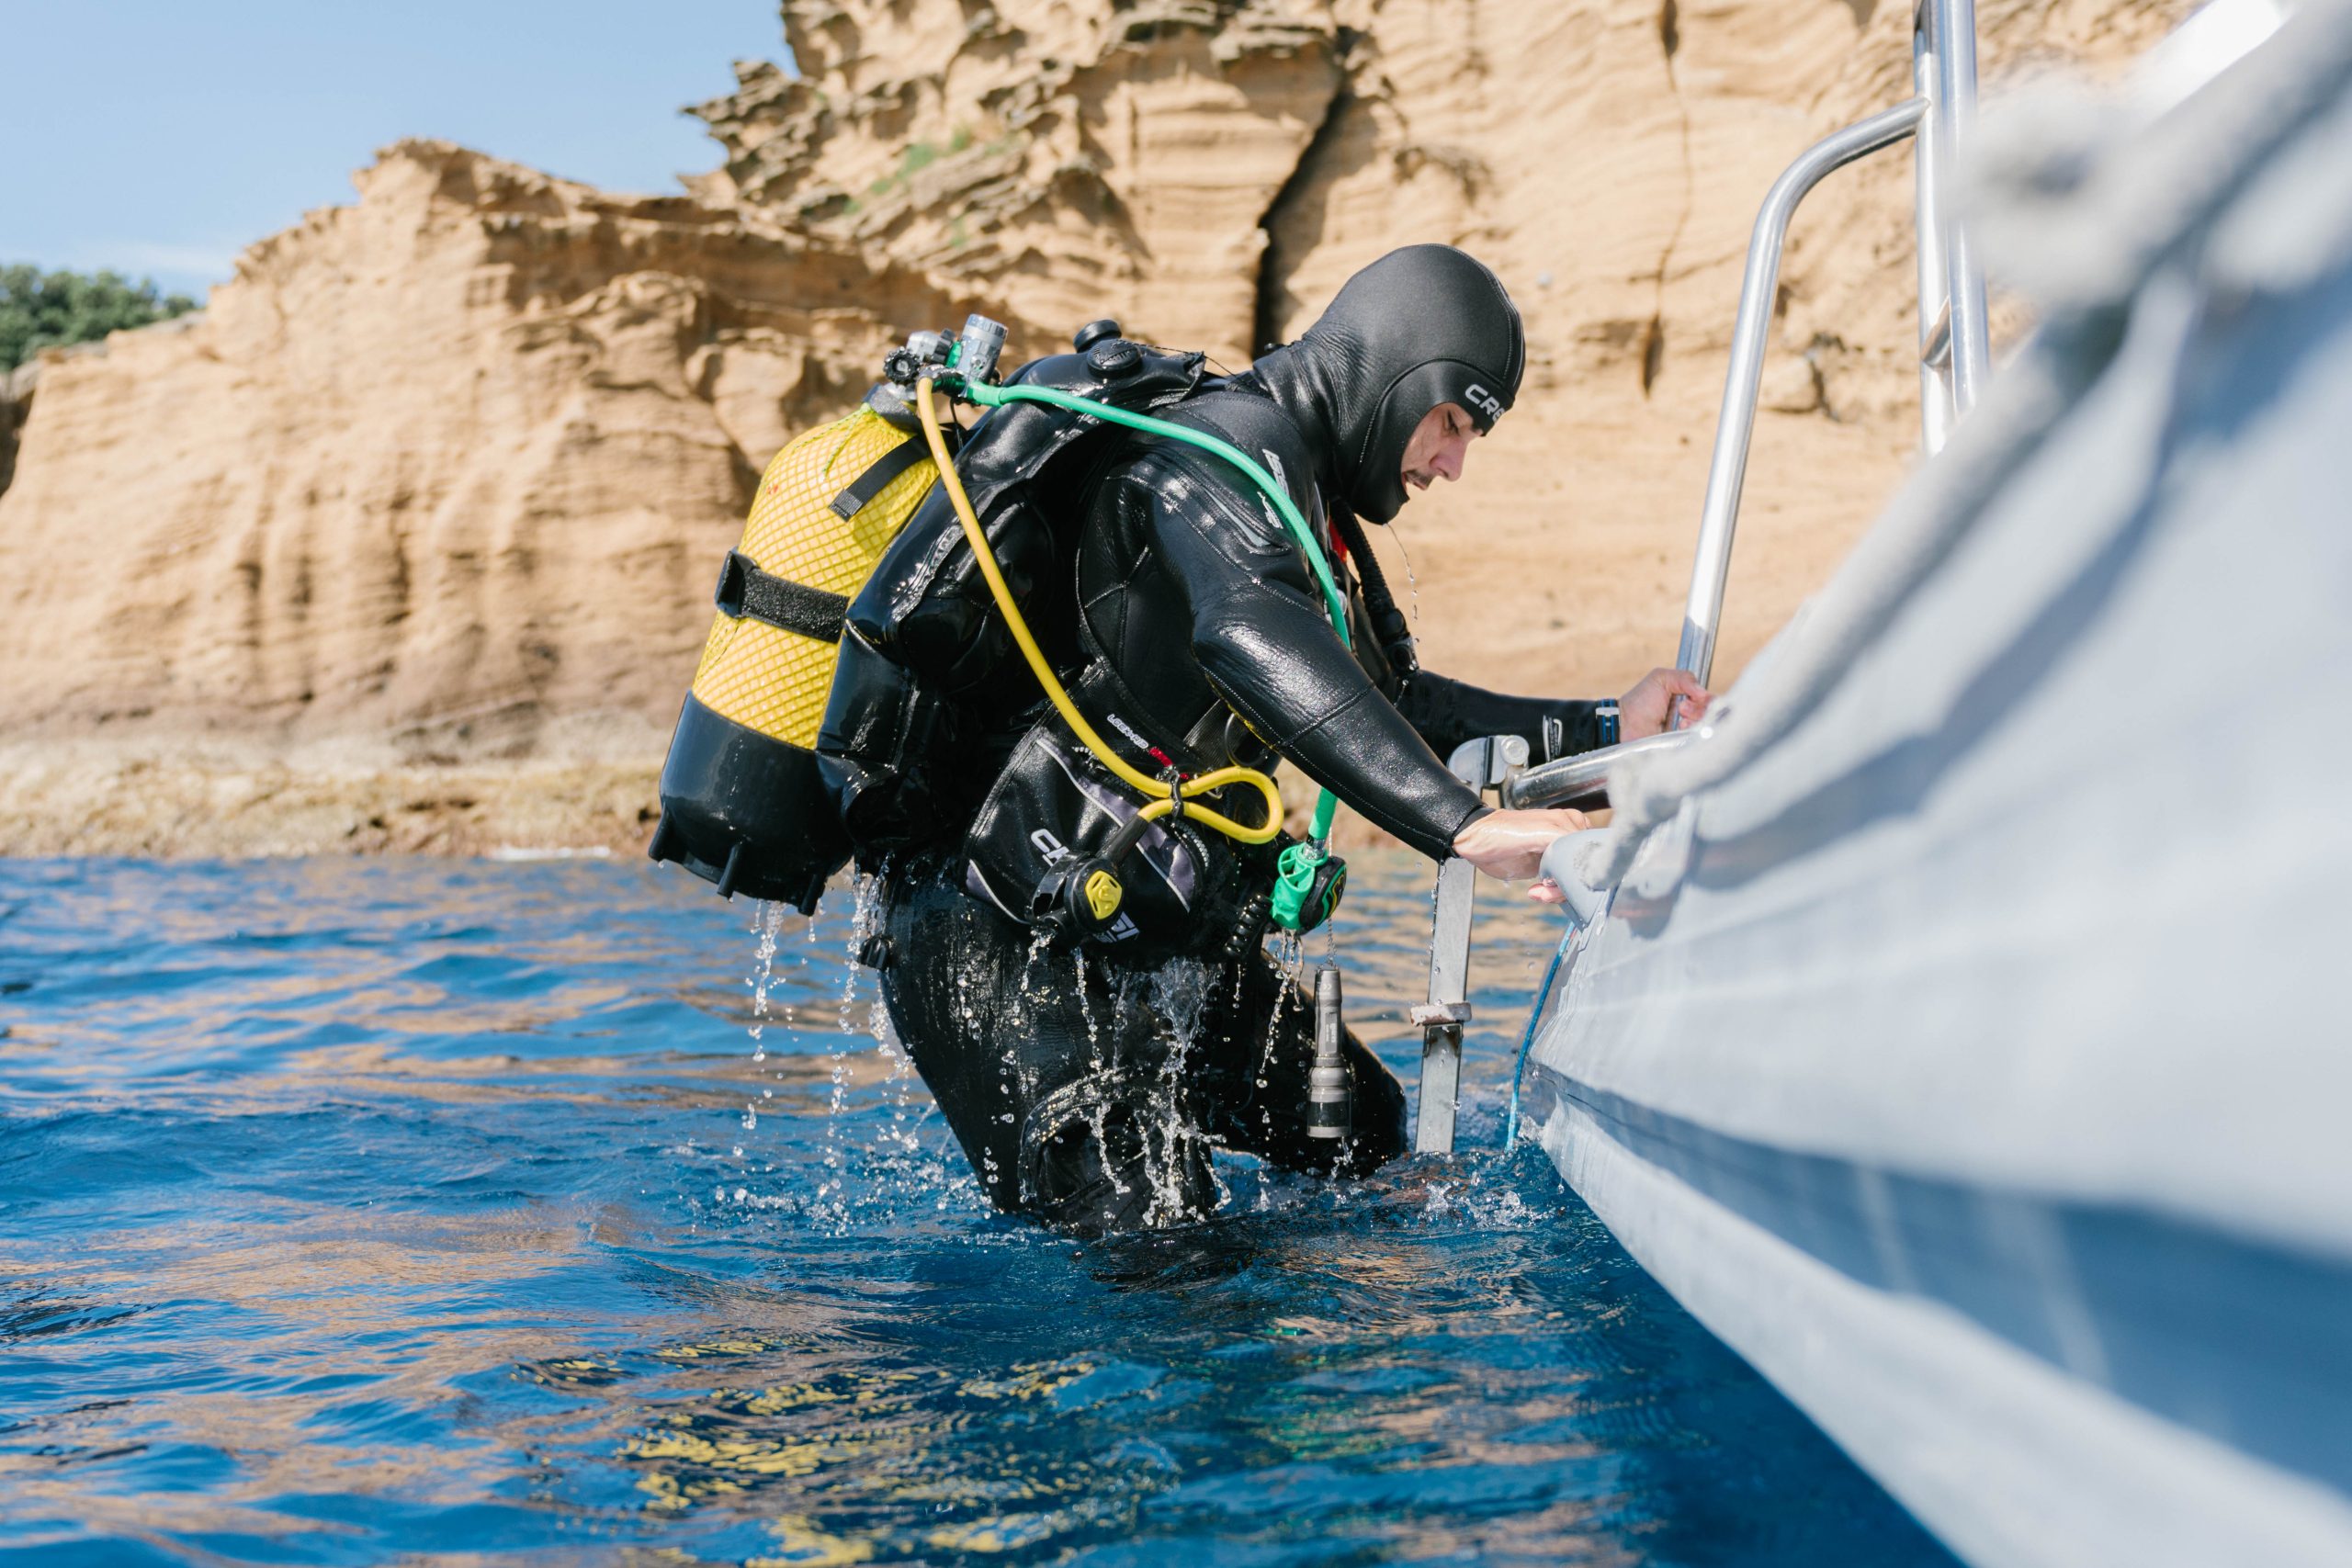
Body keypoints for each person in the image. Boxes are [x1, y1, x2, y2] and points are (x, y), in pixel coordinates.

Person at [852, 245, 1713, 1232]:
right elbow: (1246, 631)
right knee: (1162, 1243)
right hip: (1005, 936)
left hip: (1140, 924)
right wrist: (1463, 827)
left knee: (1360, 1130)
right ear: (1396, 375)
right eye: (1450, 423)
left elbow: (1396, 706)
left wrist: (1606, 724)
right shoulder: (1217, 449)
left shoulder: (1307, 510)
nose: (1452, 463)